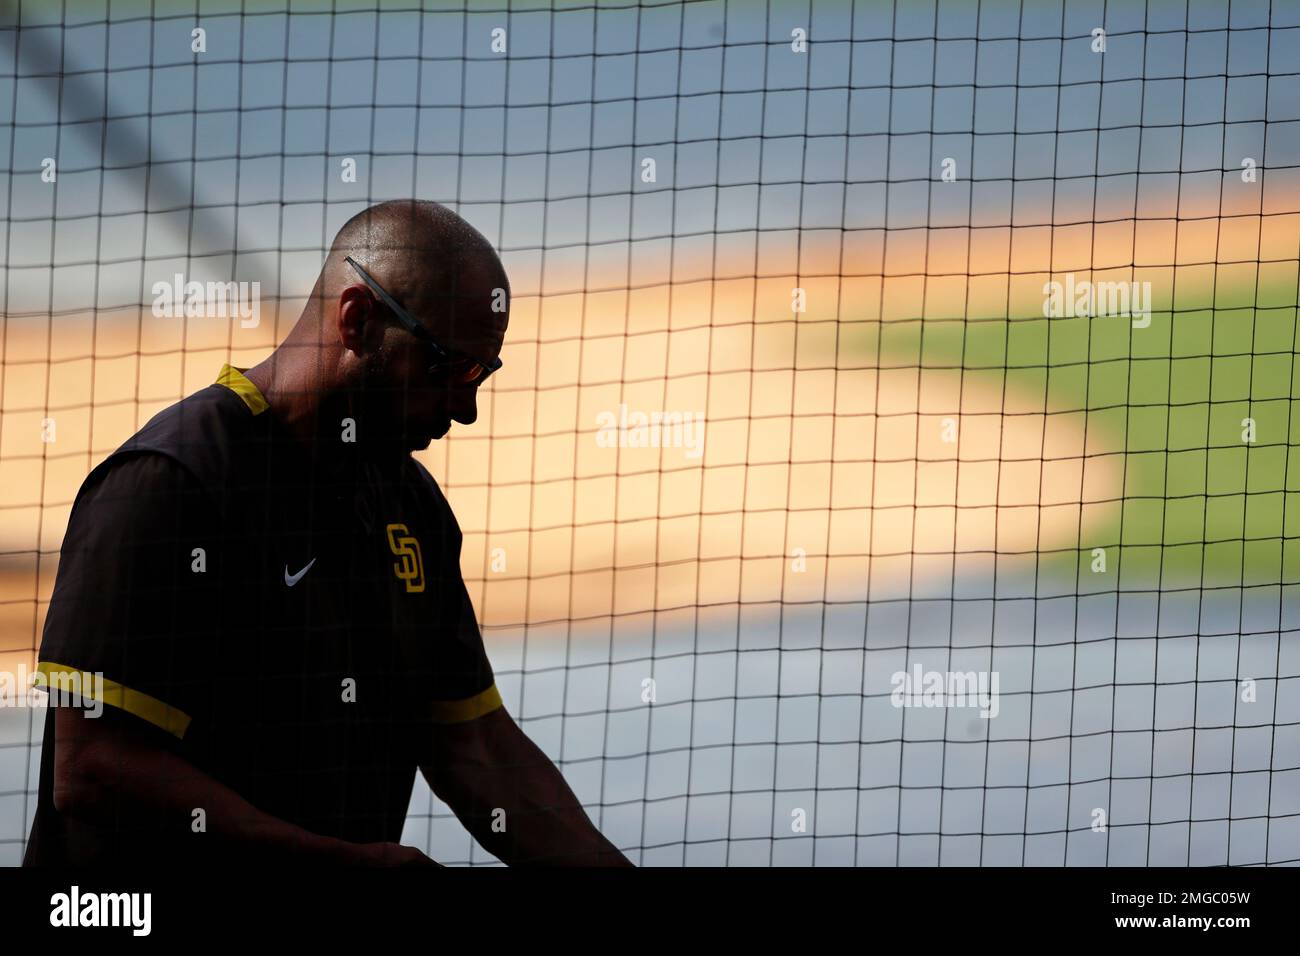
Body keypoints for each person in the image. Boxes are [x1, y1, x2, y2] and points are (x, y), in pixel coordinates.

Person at [24, 199, 631, 867]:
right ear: (358, 320)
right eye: (448, 369)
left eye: (481, 373)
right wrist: (331, 861)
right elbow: (92, 768)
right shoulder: (169, 484)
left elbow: (474, 746)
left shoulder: (410, 504)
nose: (466, 408)